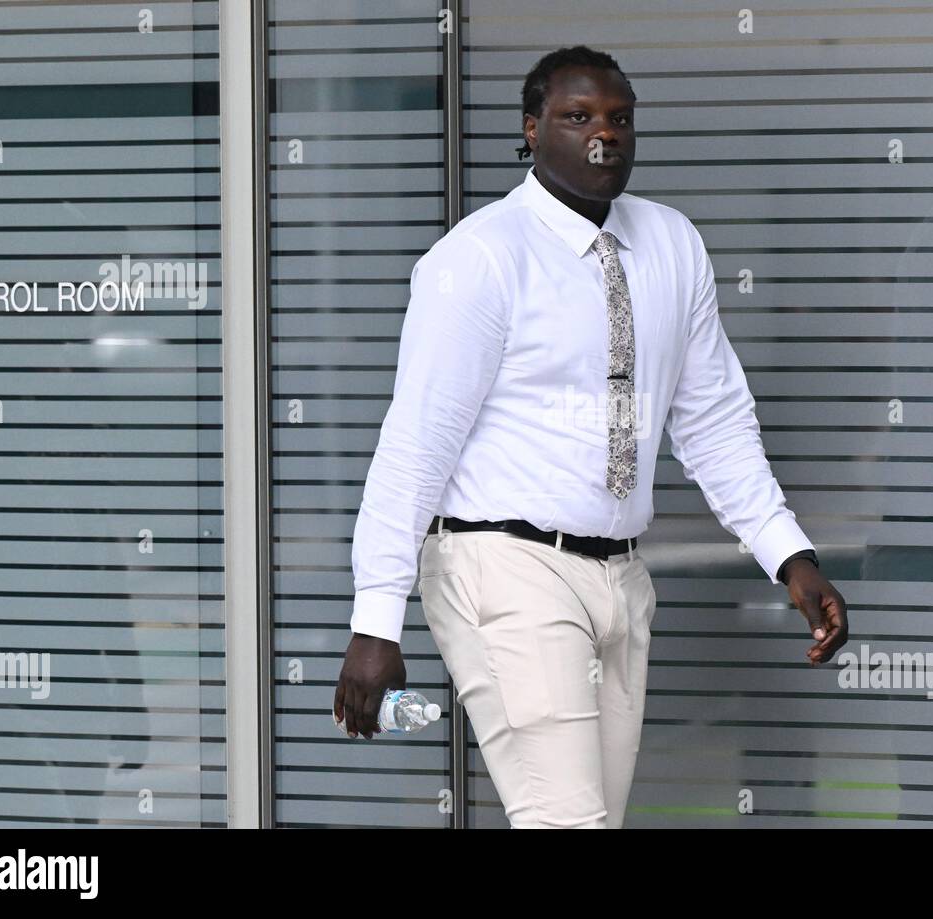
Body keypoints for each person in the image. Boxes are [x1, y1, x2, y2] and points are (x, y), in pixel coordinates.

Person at [333, 44, 847, 828]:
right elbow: (416, 443)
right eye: (578, 118)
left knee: (588, 820)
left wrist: (789, 553)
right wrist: (376, 619)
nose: (603, 134)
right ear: (532, 132)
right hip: (501, 567)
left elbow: (712, 419)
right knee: (566, 820)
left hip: (620, 581)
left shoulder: (673, 244)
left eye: (619, 118)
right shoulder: (479, 258)